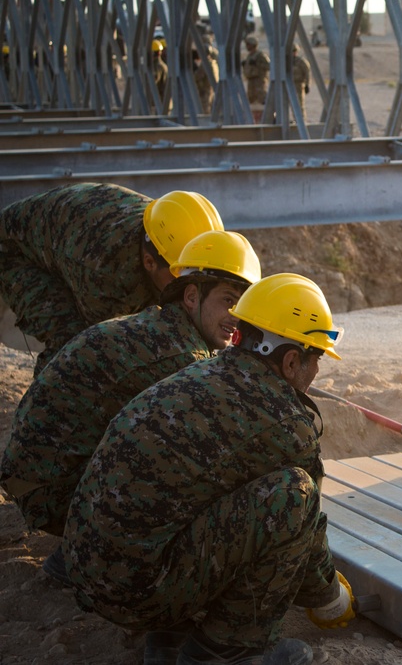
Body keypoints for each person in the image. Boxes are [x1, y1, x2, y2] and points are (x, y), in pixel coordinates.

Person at [64, 273, 355, 665]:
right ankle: (226, 651)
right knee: (293, 494)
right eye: (316, 359)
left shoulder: (194, 374)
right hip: (137, 593)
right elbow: (307, 536)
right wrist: (332, 600)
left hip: (86, 572)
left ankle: (171, 633)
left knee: (200, 490)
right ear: (291, 361)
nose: (316, 371)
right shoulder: (288, 425)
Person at [0, 230, 261, 586]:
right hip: (49, 493)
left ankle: (81, 543)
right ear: (191, 296)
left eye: (242, 308)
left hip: (36, 475)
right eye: (228, 301)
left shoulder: (160, 324)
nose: (236, 318)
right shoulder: (181, 357)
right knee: (194, 466)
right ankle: (84, 553)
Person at [0, 183, 224, 374]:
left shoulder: (169, 231)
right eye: (179, 275)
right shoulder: (104, 272)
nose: (188, 286)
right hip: (14, 252)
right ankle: (45, 409)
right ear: (149, 262)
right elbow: (105, 344)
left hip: (71, 237)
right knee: (71, 341)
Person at [242, 35, 269, 123]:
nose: (247, 47)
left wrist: (257, 64)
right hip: (251, 83)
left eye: (248, 44)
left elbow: (268, 66)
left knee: (262, 102)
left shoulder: (260, 55)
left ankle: (264, 120)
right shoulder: (249, 56)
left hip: (259, 83)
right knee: (251, 102)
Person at [292, 43, 311, 123]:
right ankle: (295, 120)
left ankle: (301, 121)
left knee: (300, 104)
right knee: (292, 104)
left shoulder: (301, 62)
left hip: (299, 85)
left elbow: (307, 73)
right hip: (290, 85)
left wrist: (307, 85)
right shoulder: (287, 62)